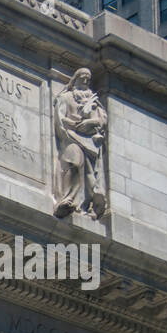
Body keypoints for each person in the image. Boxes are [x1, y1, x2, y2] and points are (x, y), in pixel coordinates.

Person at [53, 68, 109, 220]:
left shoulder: (94, 101)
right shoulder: (66, 97)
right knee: (75, 163)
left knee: (90, 176)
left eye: (88, 79)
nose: (85, 81)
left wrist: (92, 122)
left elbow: (102, 120)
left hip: (91, 141)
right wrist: (76, 124)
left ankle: (85, 204)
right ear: (75, 79)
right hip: (71, 136)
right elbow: (60, 118)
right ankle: (68, 198)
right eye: (82, 77)